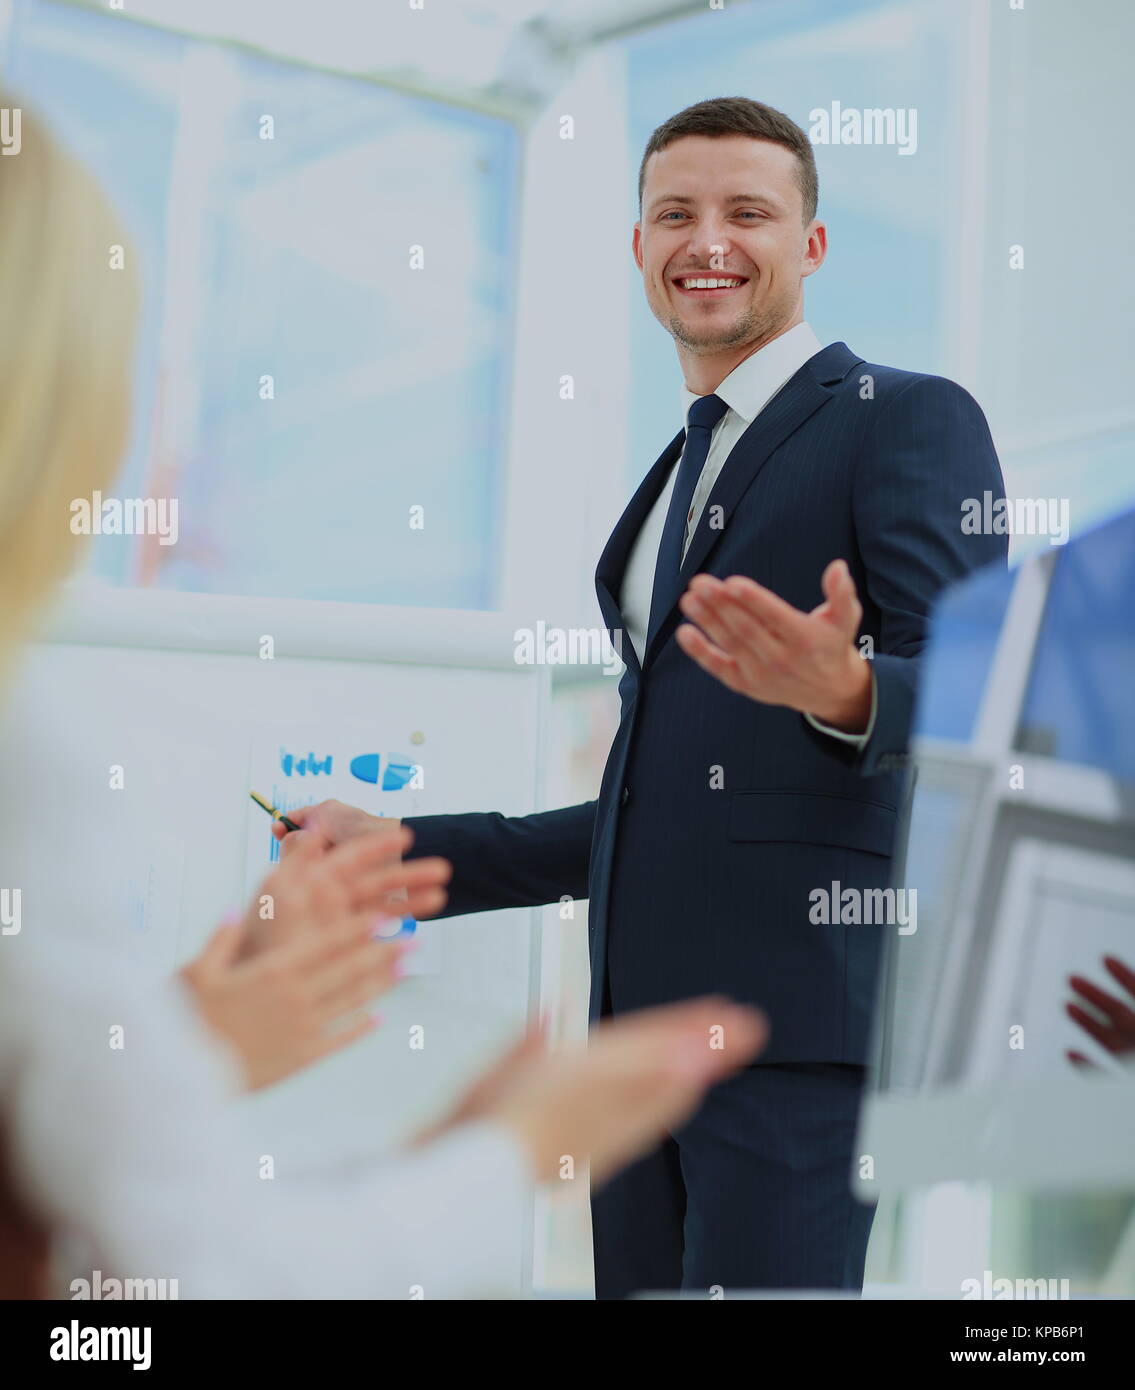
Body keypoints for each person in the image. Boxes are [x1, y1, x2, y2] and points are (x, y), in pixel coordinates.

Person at [0, 92, 768, 1298]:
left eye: (744, 213)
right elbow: (184, 1278)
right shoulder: (24, 762)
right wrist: (516, 1145)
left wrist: (160, 1049)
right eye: (673, 211)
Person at [285, 96, 1009, 1297]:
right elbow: (647, 810)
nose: (705, 241)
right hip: (633, 1052)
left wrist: (845, 688)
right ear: (636, 246)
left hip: (795, 1050)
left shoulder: (904, 419)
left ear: (811, 246)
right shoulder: (678, 468)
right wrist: (397, 853)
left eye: (748, 213)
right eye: (674, 213)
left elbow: (981, 706)